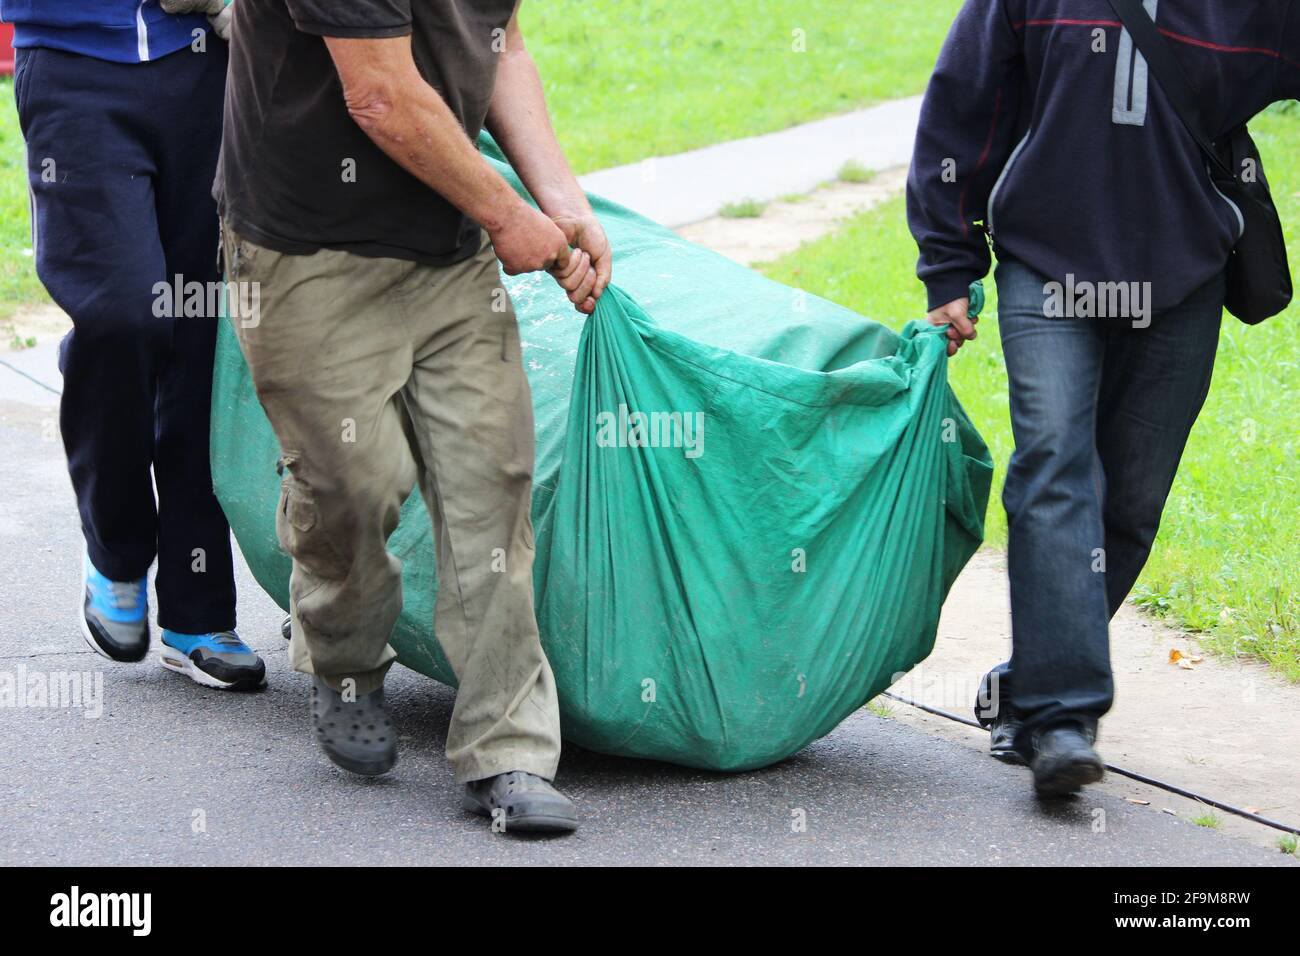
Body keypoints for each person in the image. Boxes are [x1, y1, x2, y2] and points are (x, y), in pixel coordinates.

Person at [216, 0, 611, 833]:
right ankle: (344, 657)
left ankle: (508, 747)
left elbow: (499, 46)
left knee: (490, 483)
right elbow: (381, 95)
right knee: (355, 487)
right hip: (305, 251)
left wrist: (560, 197)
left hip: (447, 247)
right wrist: (509, 217)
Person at [907, 0, 1298, 796]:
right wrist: (949, 261)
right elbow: (963, 100)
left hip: (1183, 273)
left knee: (1131, 501)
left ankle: (1032, 683)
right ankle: (1061, 718)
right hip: (1046, 266)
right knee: (1054, 465)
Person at [5, 0, 265, 690]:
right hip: (74, 64)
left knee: (201, 331)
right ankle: (117, 550)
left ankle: (197, 610)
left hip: (207, 62)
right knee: (121, 318)